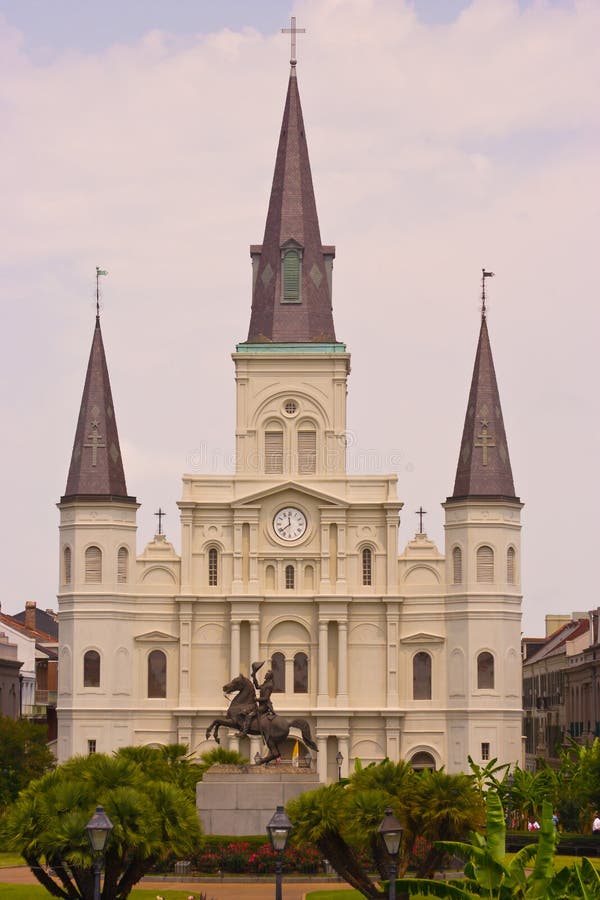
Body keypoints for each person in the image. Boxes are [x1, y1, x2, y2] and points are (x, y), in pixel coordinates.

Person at [238, 661, 275, 736]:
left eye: (266, 674)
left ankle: (244, 732)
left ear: (269, 676)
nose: (265, 675)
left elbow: (265, 698)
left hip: (264, 706)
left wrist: (256, 699)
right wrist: (254, 676)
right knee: (245, 711)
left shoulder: (269, 685)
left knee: (249, 715)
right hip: (260, 705)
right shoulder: (266, 684)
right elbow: (257, 686)